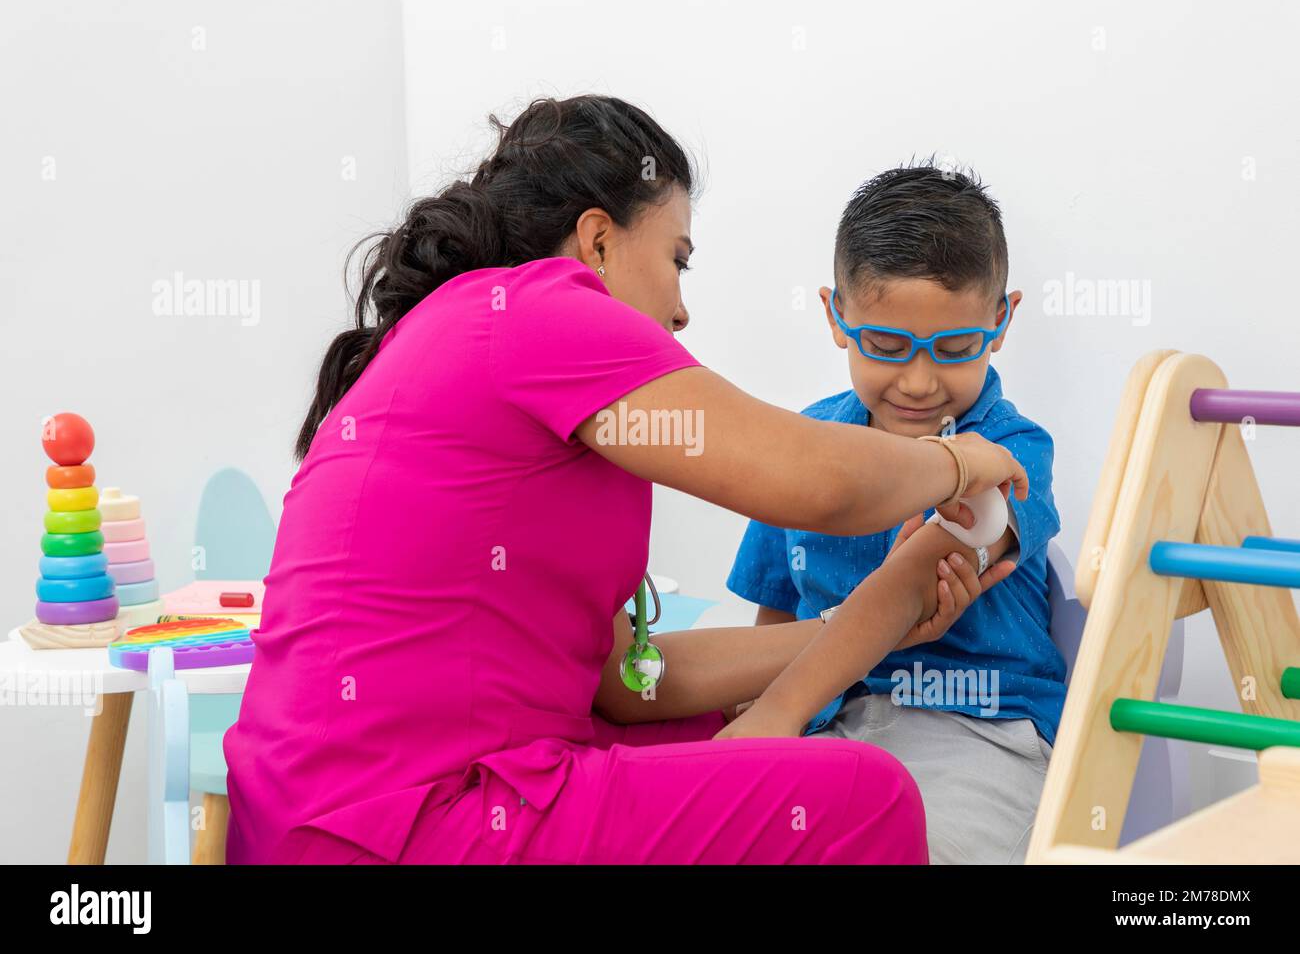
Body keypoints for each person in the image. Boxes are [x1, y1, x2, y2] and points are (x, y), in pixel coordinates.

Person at [222, 96, 1027, 865]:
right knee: (862, 796)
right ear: (599, 241)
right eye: (677, 260)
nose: (682, 311)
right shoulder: (536, 311)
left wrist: (853, 632)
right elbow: (816, 481)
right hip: (404, 823)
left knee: (711, 734)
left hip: (342, 814)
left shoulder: (464, 339)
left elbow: (625, 686)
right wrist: (959, 461)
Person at [724, 164, 1064, 863]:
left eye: (952, 348)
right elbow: (774, 622)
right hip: (830, 723)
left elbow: (943, 555)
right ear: (835, 315)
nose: (917, 380)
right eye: (885, 346)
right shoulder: (805, 448)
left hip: (978, 727)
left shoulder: (1012, 447)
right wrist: (761, 715)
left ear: (1000, 321)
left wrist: (777, 713)